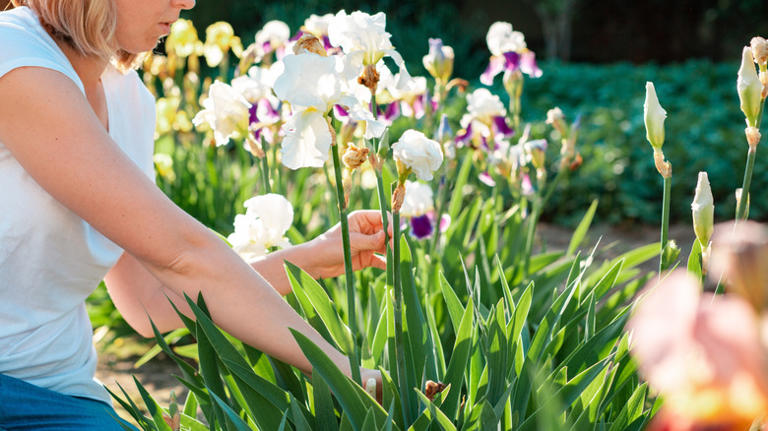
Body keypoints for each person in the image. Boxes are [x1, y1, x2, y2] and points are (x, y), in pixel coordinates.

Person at [0, 0, 387, 429]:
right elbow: (183, 255)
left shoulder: (128, 99)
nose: (187, 2)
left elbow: (150, 303)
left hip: (63, 392)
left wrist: (312, 257)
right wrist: (347, 376)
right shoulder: (14, 57)